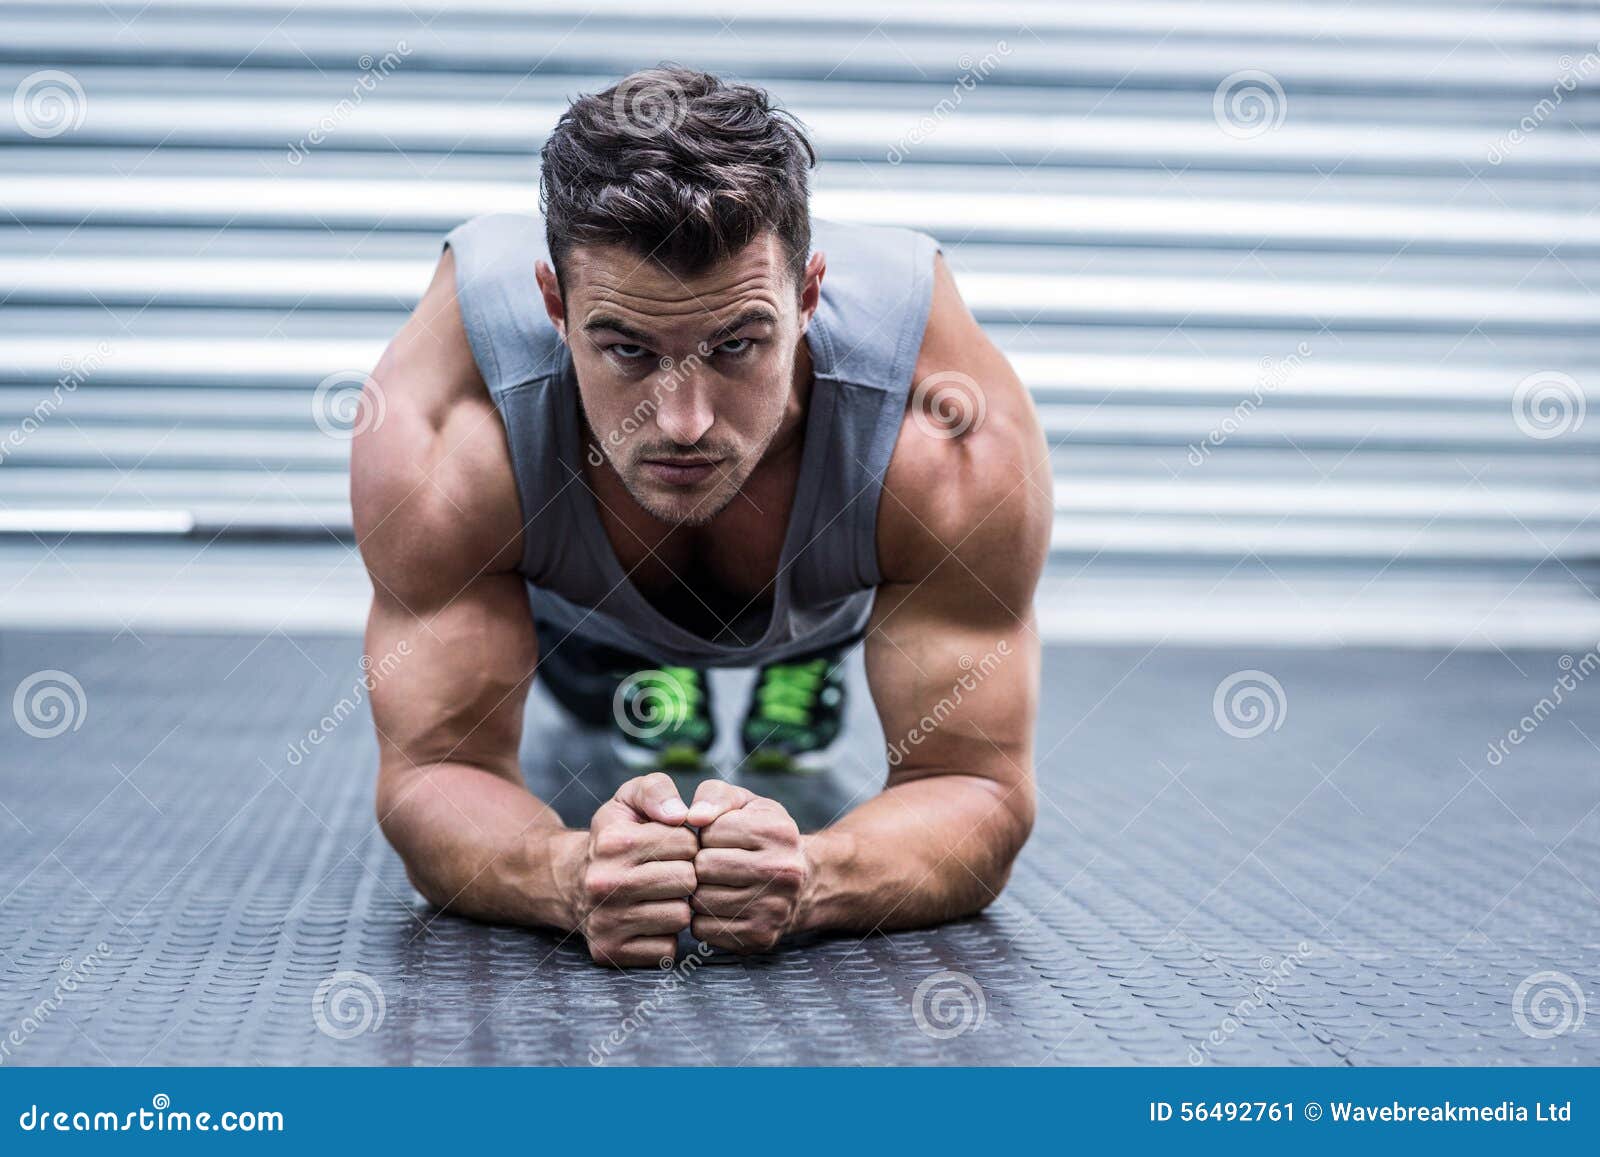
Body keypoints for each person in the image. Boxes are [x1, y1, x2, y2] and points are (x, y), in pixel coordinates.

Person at [352, 66, 1050, 966]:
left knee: (823, 633)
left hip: (828, 595)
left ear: (808, 297)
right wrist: (563, 872)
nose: (682, 422)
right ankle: (643, 669)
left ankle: (800, 662)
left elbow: (977, 784)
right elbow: (434, 773)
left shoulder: (944, 435)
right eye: (627, 349)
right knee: (612, 685)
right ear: (556, 307)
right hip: (579, 609)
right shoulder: (453, 431)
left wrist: (818, 871)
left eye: (736, 345)